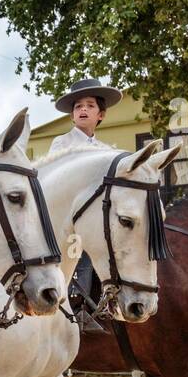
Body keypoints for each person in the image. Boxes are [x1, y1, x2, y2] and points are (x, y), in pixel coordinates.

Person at [49, 78, 123, 326]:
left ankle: (108, 303)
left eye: (90, 105)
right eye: (78, 106)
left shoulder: (107, 151)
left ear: (100, 115)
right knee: (76, 252)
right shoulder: (61, 144)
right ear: (72, 115)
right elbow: (56, 183)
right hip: (67, 218)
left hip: (95, 219)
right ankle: (75, 303)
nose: (83, 109)